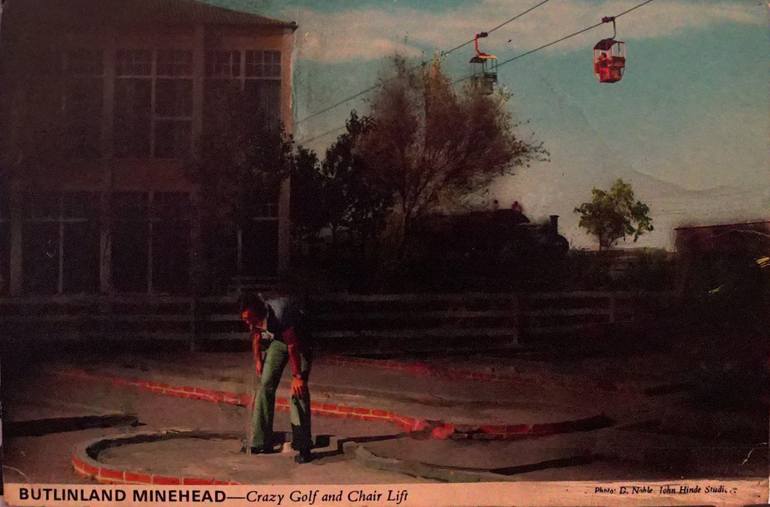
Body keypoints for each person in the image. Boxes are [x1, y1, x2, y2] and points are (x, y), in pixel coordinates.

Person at [240, 292, 313, 464]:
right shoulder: (253, 318)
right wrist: (258, 360)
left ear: (258, 313)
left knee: (298, 391)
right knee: (265, 384)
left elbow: (293, 346)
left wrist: (297, 376)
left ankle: (303, 446)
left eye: (249, 318)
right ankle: (260, 441)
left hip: (301, 341)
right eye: (245, 319)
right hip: (279, 342)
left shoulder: (279, 315)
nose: (247, 322)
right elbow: (256, 335)